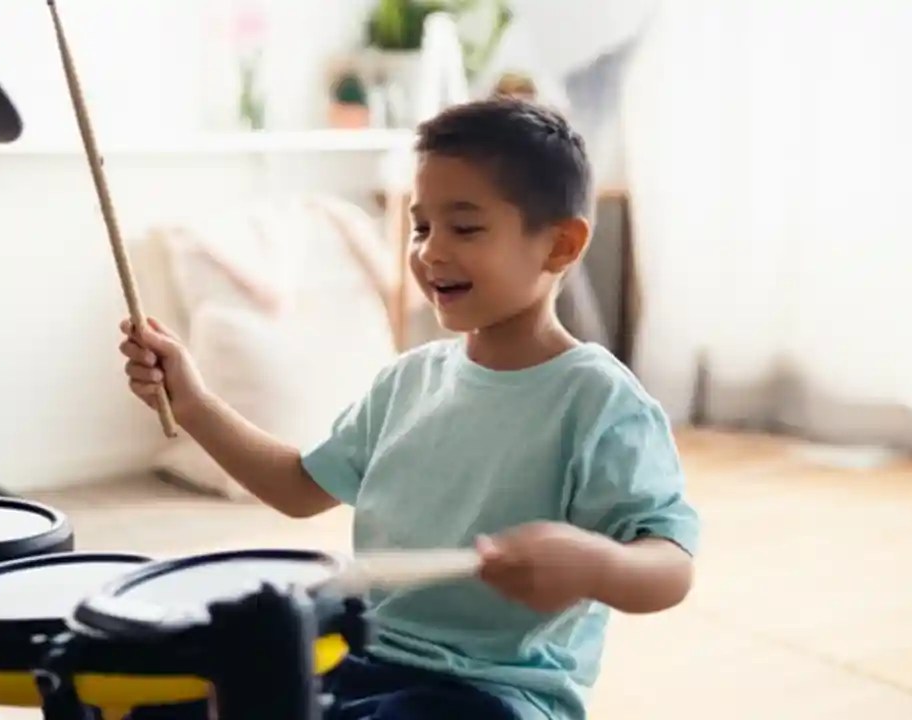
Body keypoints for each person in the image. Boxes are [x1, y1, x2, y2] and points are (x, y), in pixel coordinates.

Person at [119, 97, 700, 720]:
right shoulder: (409, 380)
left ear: (559, 246)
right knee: (161, 696)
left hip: (493, 694)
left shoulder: (599, 402)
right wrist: (194, 402)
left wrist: (597, 564)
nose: (429, 252)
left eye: (465, 227)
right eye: (422, 227)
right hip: (363, 657)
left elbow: (670, 565)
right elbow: (297, 488)